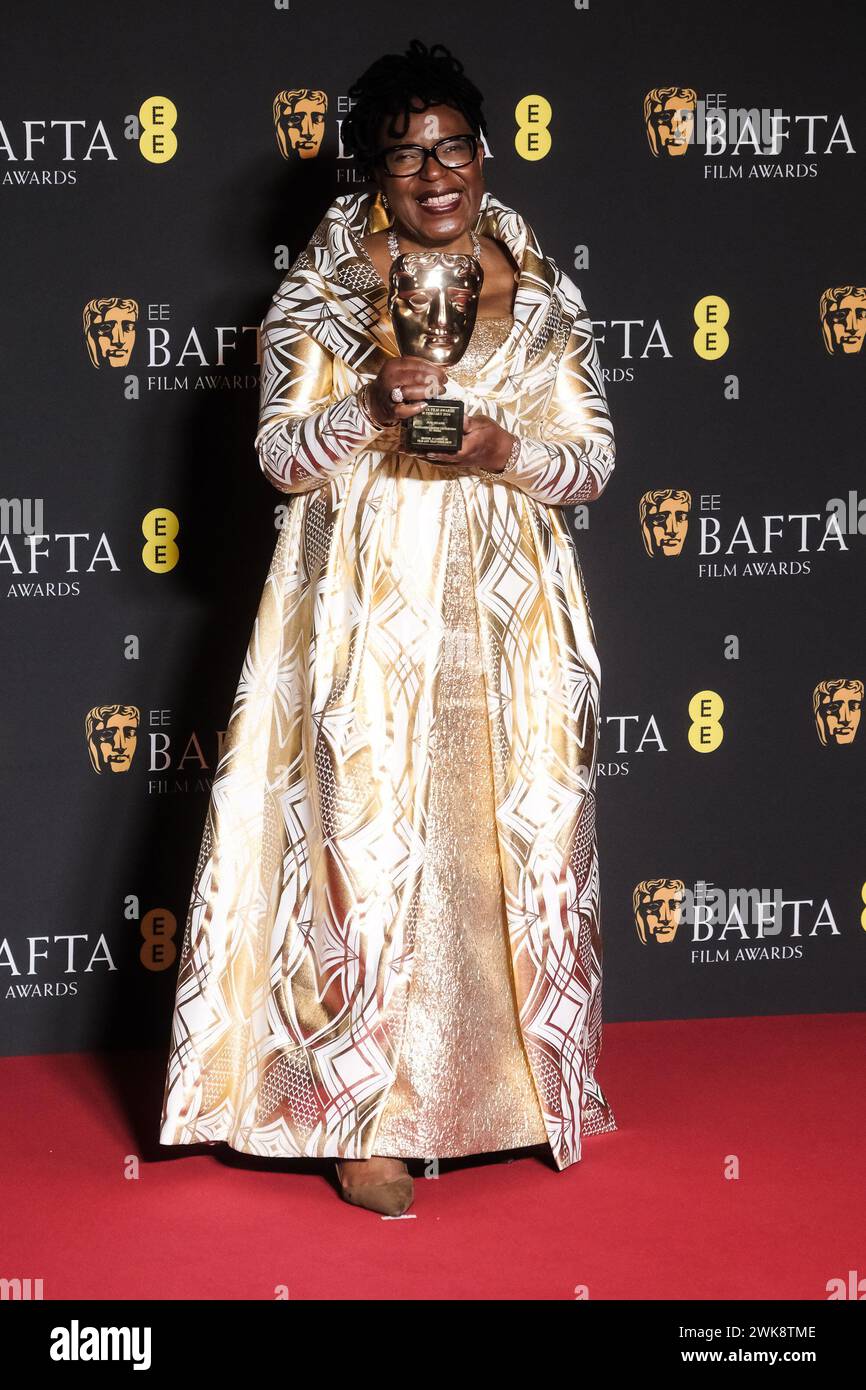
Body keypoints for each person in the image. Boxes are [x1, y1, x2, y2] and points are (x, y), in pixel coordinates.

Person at [159, 39, 617, 1217]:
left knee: (502, 835)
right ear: (375, 170)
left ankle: (512, 1094)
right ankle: (359, 1117)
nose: (433, 171)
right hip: (362, 597)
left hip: (505, 613)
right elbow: (274, 456)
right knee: (357, 844)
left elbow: (593, 464)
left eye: (451, 145)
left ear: (484, 152)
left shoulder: (541, 288)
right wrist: (368, 404)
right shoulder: (321, 289)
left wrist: (501, 448)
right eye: (406, 152)